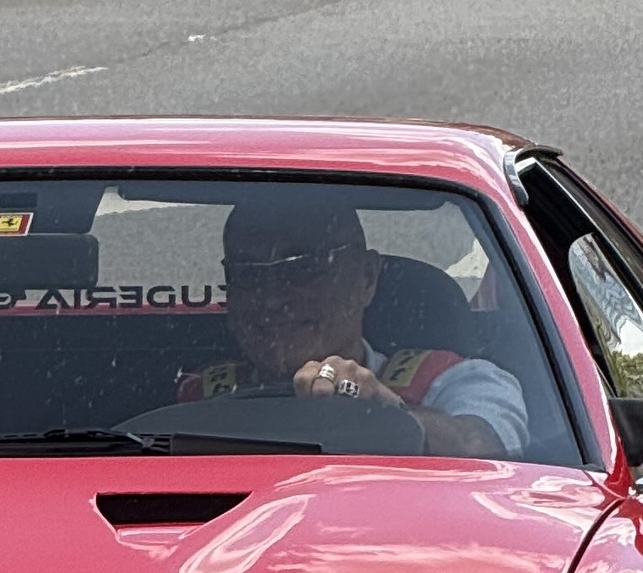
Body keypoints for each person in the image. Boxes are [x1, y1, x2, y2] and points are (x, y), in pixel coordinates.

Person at [178, 189, 529, 458]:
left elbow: (484, 448)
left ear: (365, 278)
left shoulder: (453, 382)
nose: (271, 299)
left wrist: (385, 413)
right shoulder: (198, 400)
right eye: (247, 275)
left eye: (302, 269)